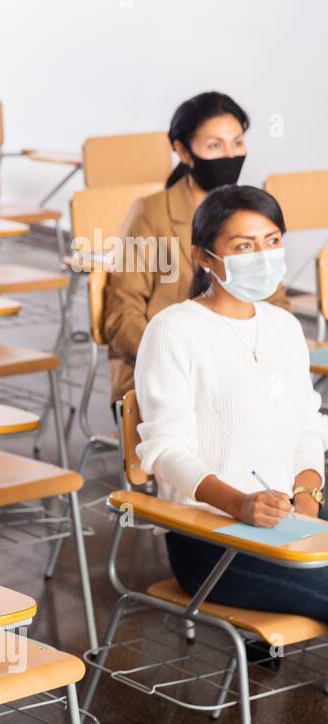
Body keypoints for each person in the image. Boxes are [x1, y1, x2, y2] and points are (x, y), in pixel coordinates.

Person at [135, 185, 328, 624]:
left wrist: (307, 498)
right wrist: (241, 504)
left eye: (272, 241)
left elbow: (307, 424)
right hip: (210, 536)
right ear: (204, 257)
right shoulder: (173, 330)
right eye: (243, 246)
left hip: (289, 520)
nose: (262, 256)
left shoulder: (283, 325)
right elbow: (166, 451)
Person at [103, 91, 290, 405]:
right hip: (161, 374)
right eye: (215, 145)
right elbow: (122, 316)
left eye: (237, 143)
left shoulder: (253, 216)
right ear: (183, 151)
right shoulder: (150, 214)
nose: (229, 155)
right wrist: (177, 360)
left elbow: (275, 302)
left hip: (242, 371)